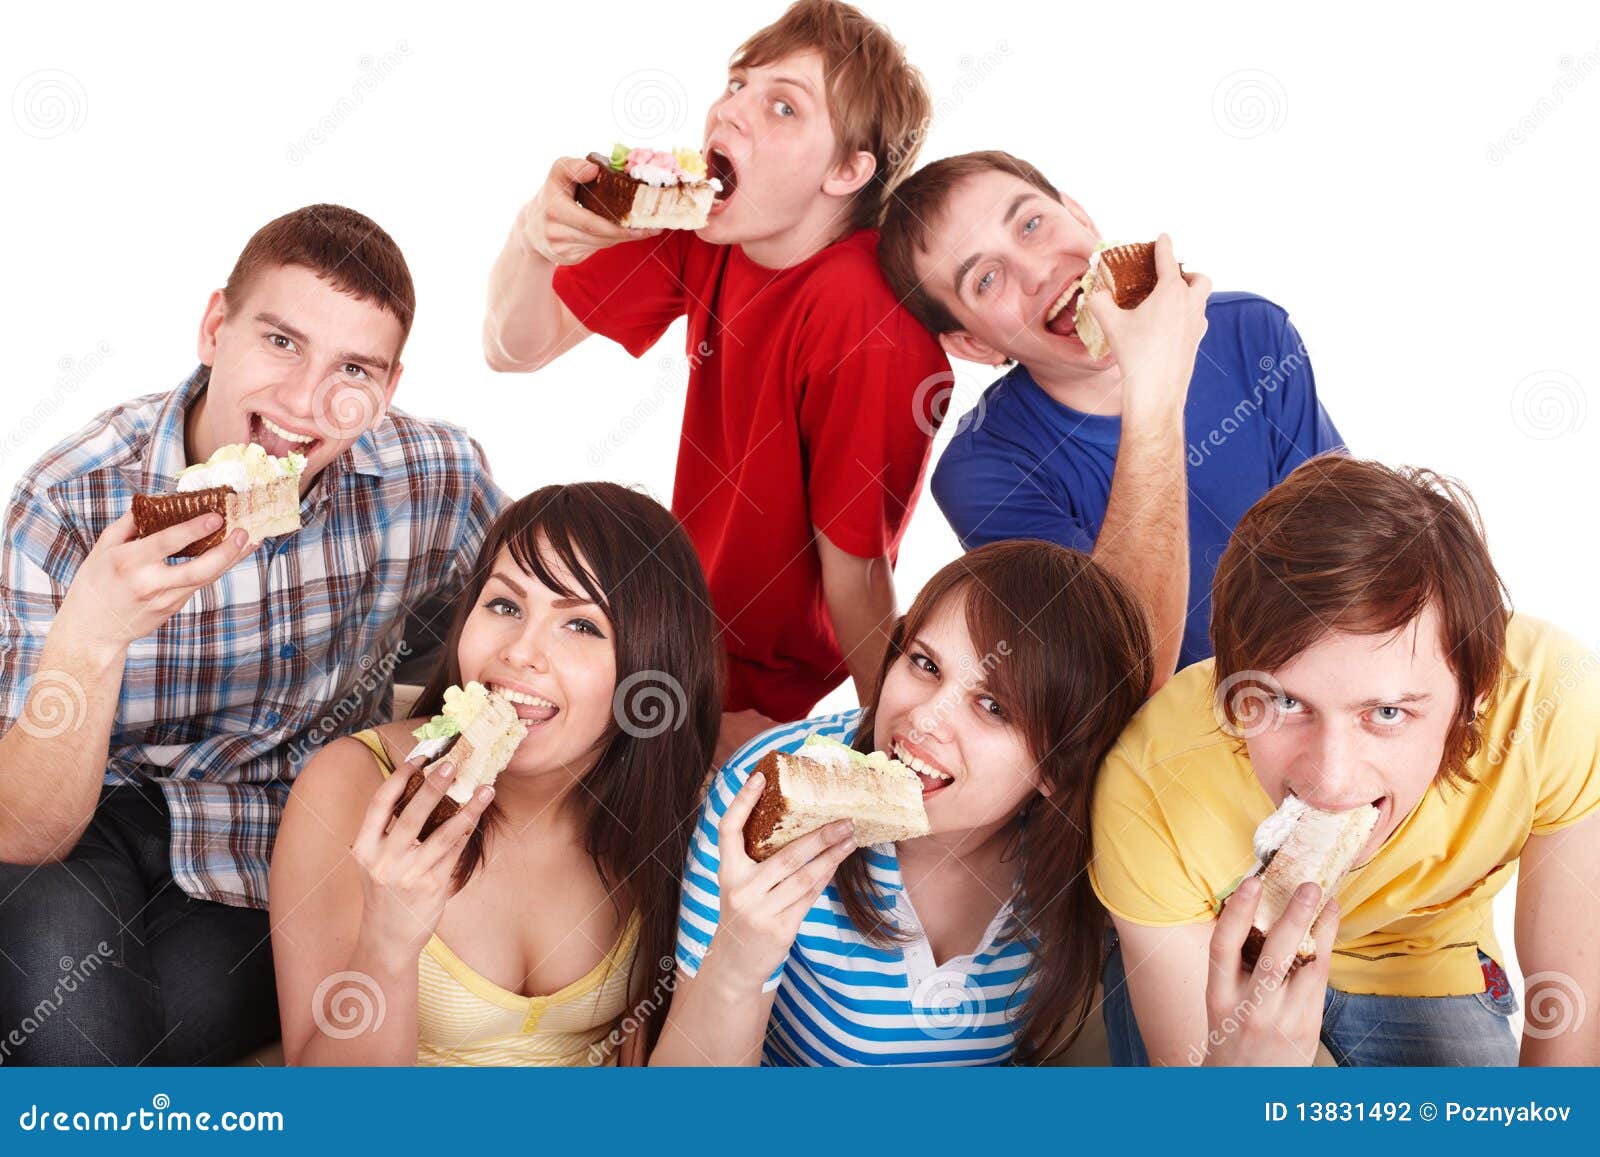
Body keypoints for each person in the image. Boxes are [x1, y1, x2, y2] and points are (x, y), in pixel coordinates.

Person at [0, 204, 504, 1065]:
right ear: (214, 328)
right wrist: (94, 635)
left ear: (386, 387)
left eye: (352, 367)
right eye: (280, 342)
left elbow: (497, 641)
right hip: (86, 821)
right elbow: (23, 832)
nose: (304, 402)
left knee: (136, 1047)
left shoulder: (437, 482)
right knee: (72, 1035)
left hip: (267, 834)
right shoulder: (70, 500)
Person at [483, 0, 950, 763]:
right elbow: (513, 348)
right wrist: (537, 236)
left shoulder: (867, 320)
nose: (730, 112)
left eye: (782, 105)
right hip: (671, 627)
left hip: (751, 687)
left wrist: (880, 752)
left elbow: (858, 572)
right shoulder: (708, 229)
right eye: (737, 84)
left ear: (847, 171)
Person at [1092, 455, 1600, 1066]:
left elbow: (1568, 1067)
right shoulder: (1149, 779)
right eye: (1285, 702)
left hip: (1422, 962)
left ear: (1477, 695)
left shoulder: (1551, 702)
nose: (1329, 780)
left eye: (1385, 713)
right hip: (1214, 960)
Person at [652, 539, 1153, 1065]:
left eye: (992, 705)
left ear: (1058, 767)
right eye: (925, 664)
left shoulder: (1101, 855)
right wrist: (739, 958)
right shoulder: (766, 795)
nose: (925, 720)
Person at [270, 484, 720, 1065]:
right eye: (505, 606)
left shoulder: (680, 811)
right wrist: (386, 945)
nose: (519, 652)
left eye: (581, 625)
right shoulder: (351, 783)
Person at [879, 150, 1344, 686]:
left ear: (1079, 215)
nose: (1036, 272)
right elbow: (1123, 668)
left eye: (1032, 224)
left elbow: (1345, 548)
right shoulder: (985, 472)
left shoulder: (1251, 332)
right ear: (973, 343)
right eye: (986, 280)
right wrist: (1154, 388)